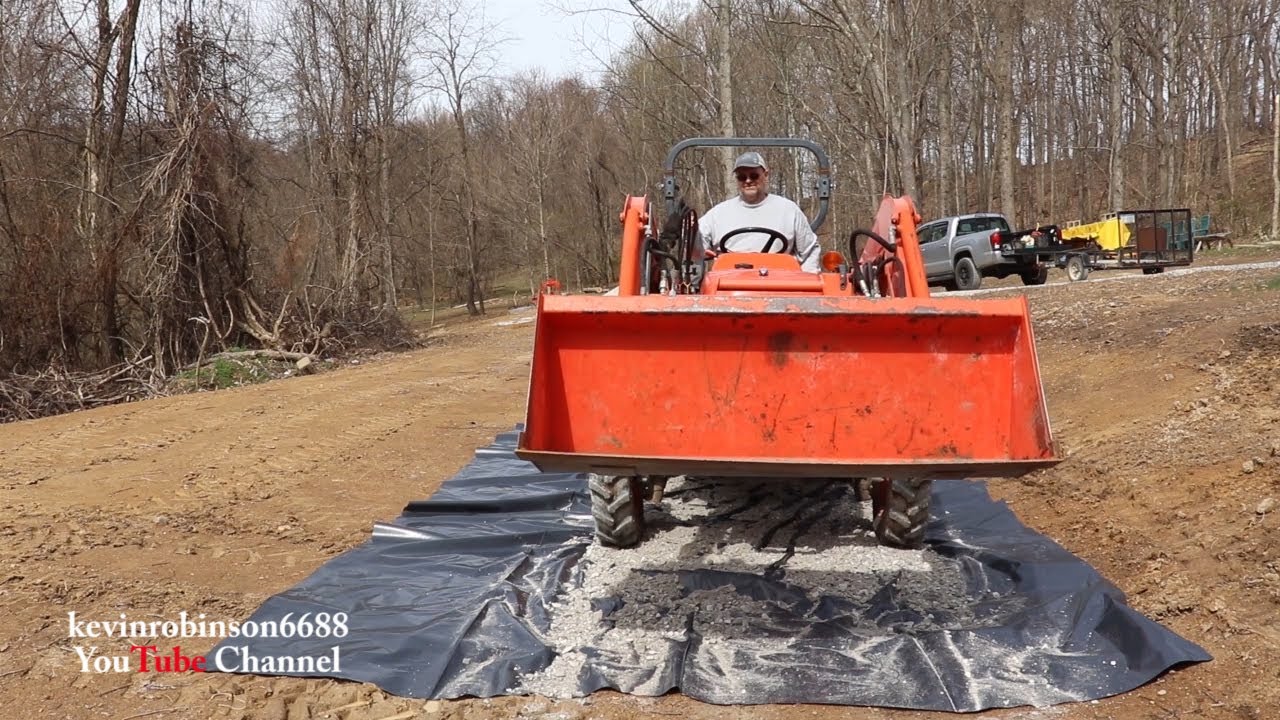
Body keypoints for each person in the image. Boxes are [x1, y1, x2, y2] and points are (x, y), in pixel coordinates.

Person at [695, 151, 821, 272]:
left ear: (765, 175)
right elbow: (698, 241)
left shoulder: (788, 210)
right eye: (742, 177)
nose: (748, 181)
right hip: (730, 283)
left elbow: (809, 250)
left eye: (754, 175)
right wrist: (695, 242)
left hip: (780, 282)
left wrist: (808, 280)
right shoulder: (718, 213)